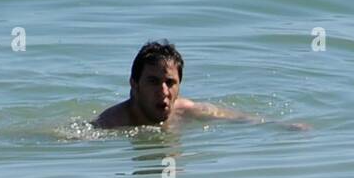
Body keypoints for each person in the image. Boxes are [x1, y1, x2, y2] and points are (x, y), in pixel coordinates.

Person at [92, 40, 307, 130]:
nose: (163, 92)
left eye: (170, 83)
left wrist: (281, 126)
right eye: (153, 82)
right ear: (134, 85)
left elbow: (242, 119)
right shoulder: (111, 122)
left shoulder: (187, 111)